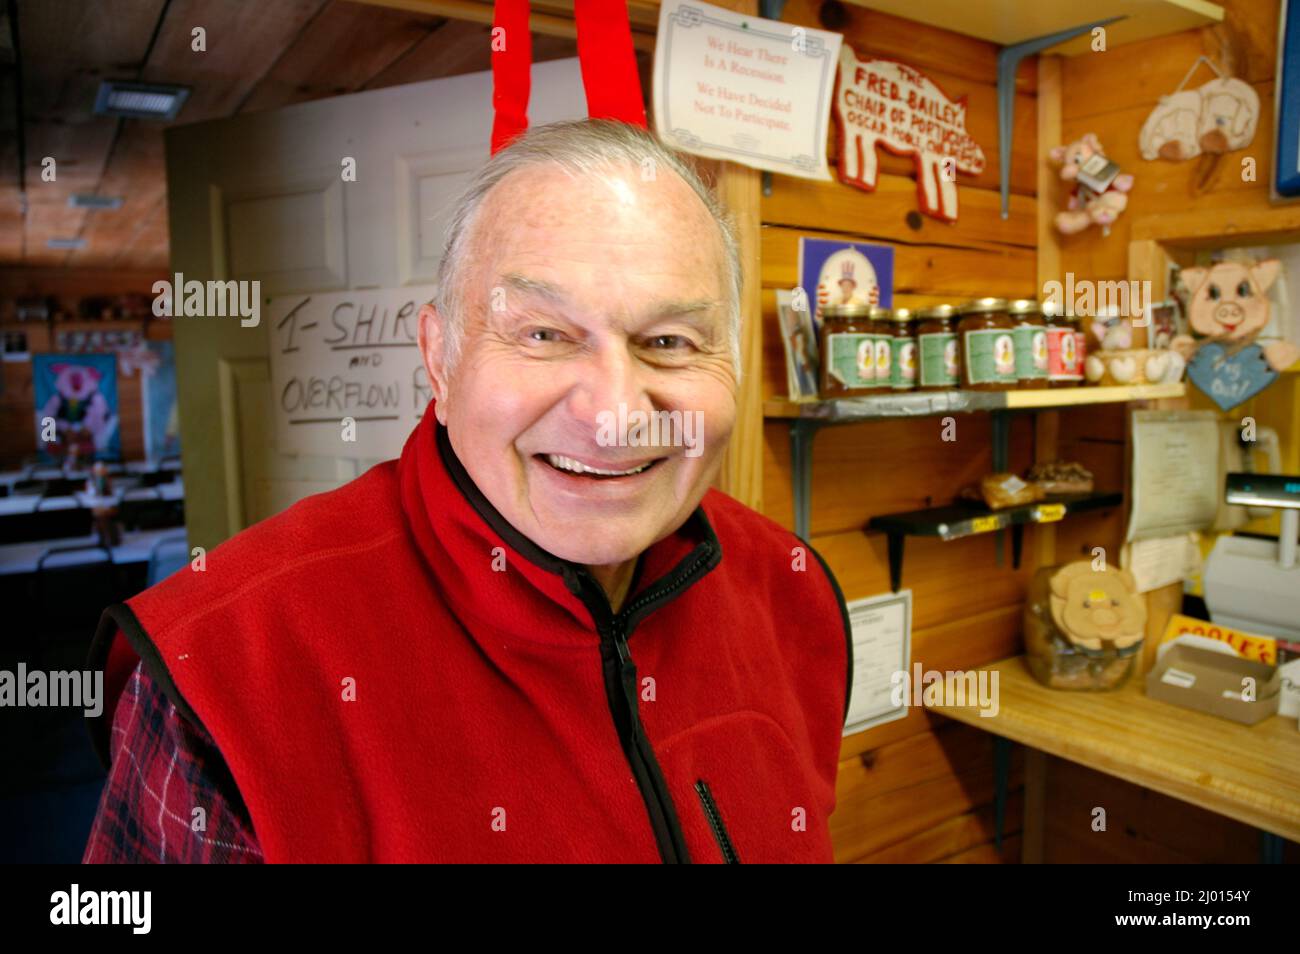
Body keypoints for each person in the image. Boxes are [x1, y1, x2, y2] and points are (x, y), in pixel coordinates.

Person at [83, 118, 851, 864]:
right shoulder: (220, 671)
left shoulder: (794, 594)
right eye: (544, 335)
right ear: (440, 359)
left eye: (669, 342)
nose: (616, 418)